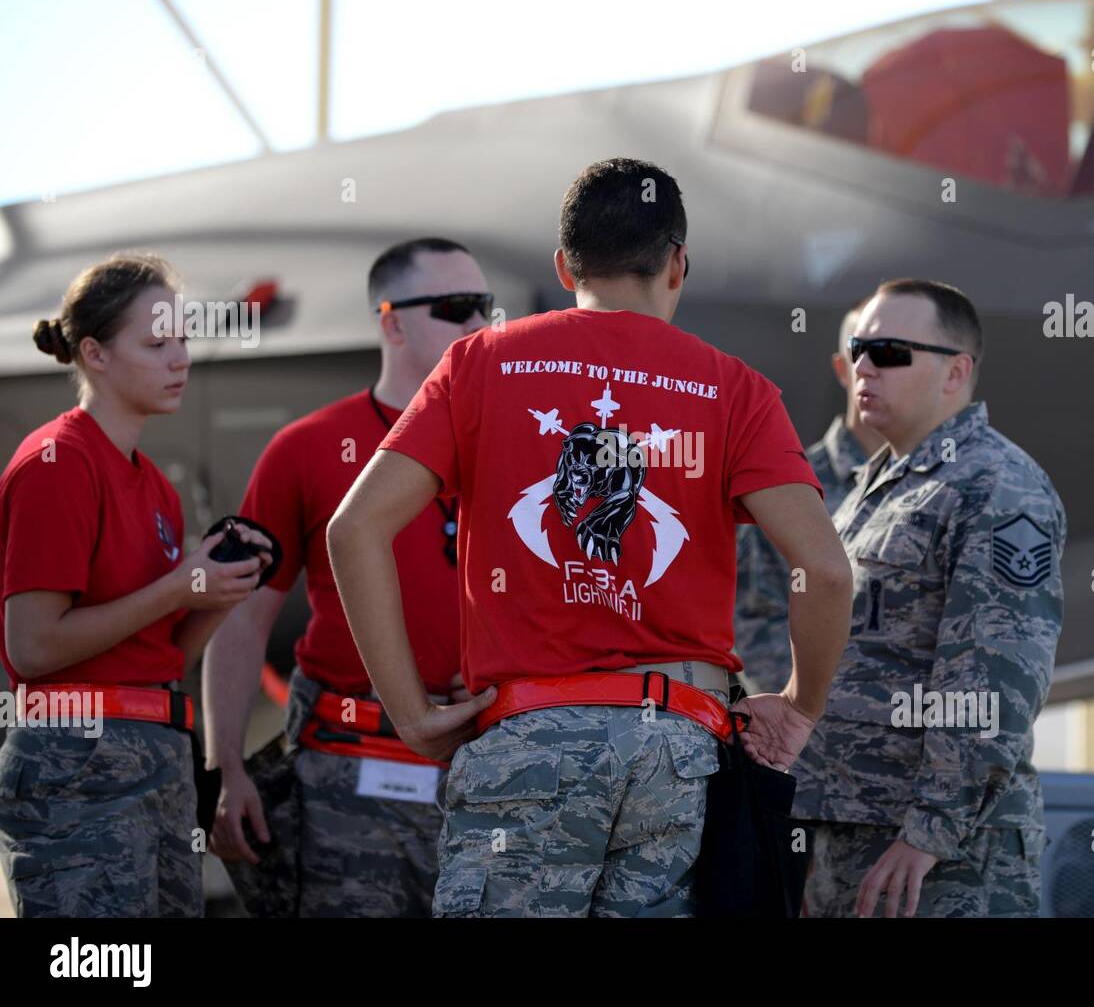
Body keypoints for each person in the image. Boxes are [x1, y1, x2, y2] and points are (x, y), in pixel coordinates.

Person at [327, 157, 853, 917]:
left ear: (563, 264)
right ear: (679, 264)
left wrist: (408, 713)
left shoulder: (479, 363)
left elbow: (355, 530)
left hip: (527, 740)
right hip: (679, 749)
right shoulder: (736, 389)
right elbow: (827, 572)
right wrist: (800, 707)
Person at [203, 238, 491, 917]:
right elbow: (243, 620)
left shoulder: (521, 447)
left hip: (493, 778)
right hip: (349, 780)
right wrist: (227, 767)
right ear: (390, 321)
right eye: (455, 308)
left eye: (485, 307)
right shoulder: (305, 449)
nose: (480, 325)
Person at [0, 254, 271, 918]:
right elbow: (32, 648)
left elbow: (163, 660)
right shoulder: (56, 464)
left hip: (156, 756)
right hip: (79, 764)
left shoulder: (152, 484)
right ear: (93, 354)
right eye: (156, 344)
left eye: (182, 339)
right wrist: (180, 587)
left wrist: (216, 592)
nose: (179, 359)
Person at [792, 278, 1066, 919]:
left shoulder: (998, 487)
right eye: (860, 347)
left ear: (956, 372)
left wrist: (931, 830)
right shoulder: (876, 485)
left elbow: (995, 675)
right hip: (852, 836)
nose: (863, 365)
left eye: (889, 351)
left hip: (943, 861)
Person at [734, 299, 884, 693]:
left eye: (896, 354)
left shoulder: (939, 486)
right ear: (842, 368)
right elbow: (755, 620)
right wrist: (813, 712)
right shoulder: (790, 485)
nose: (876, 368)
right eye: (862, 352)